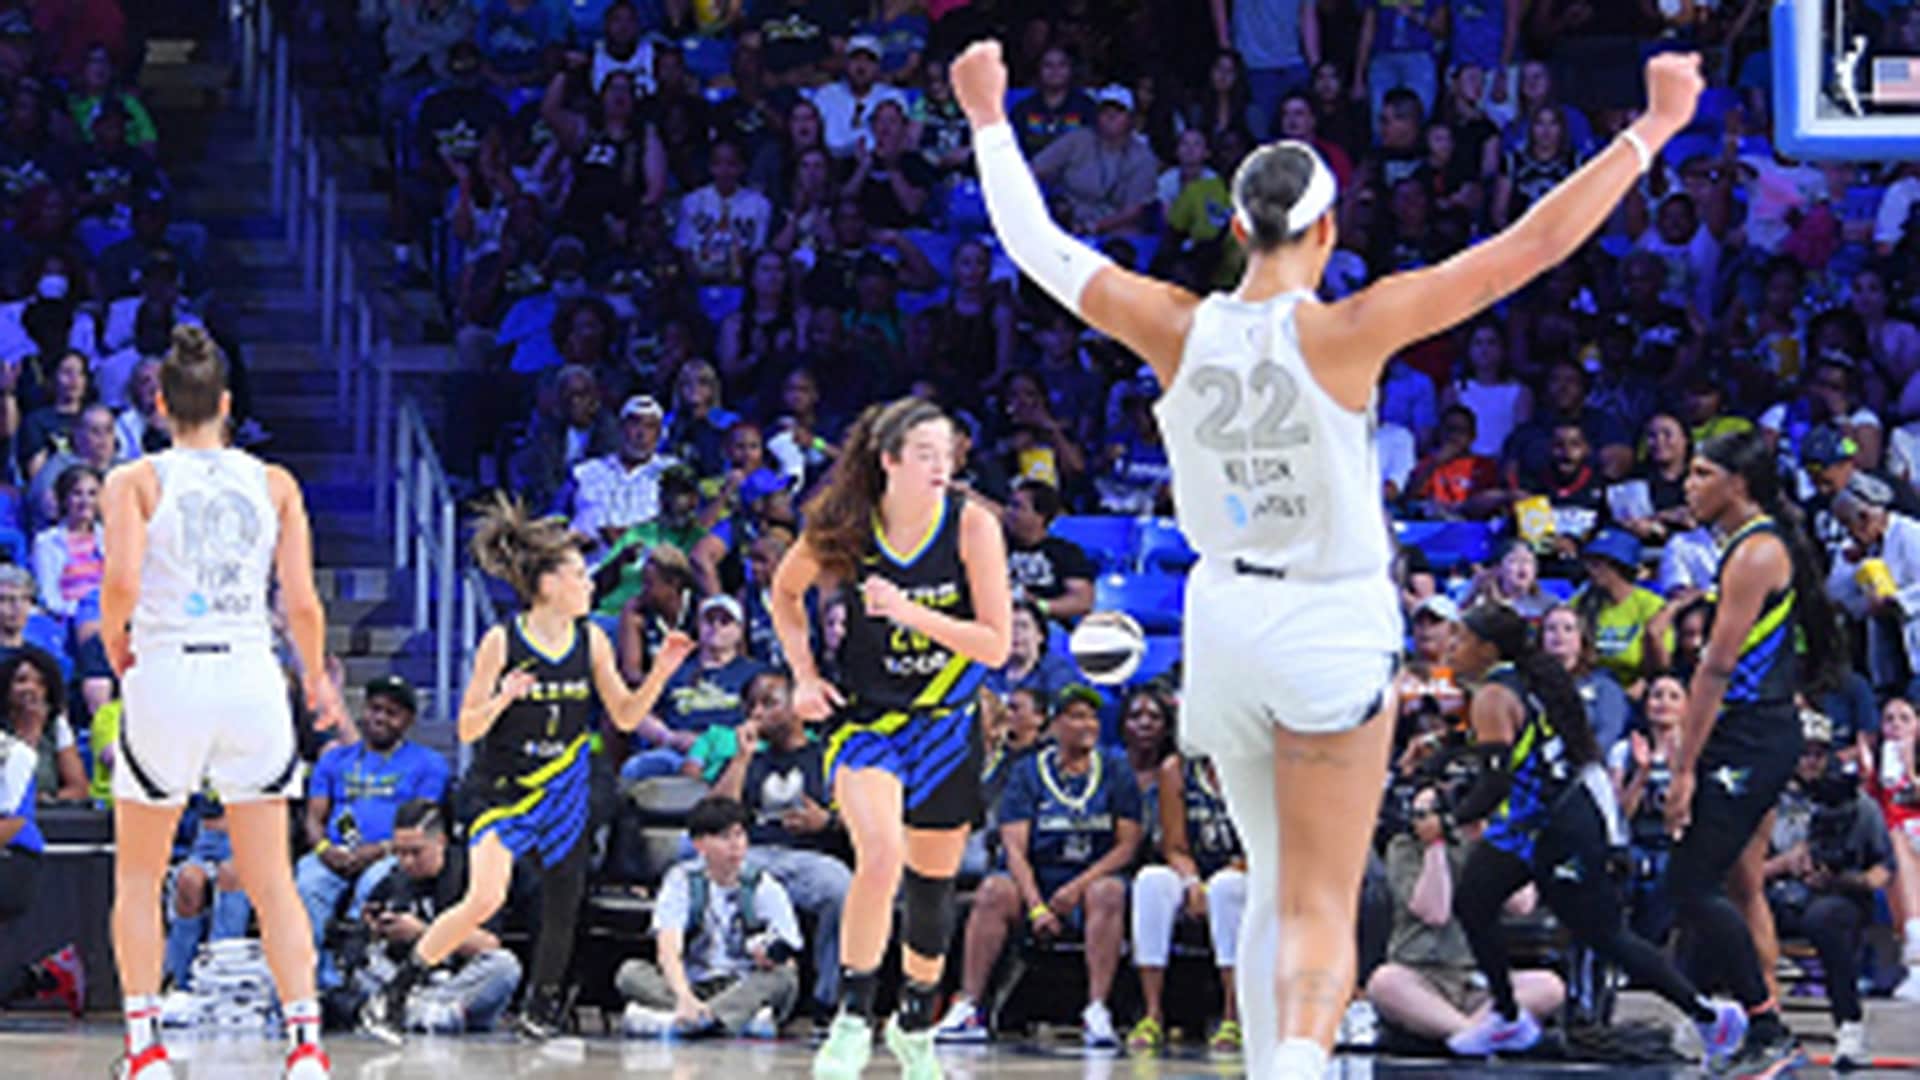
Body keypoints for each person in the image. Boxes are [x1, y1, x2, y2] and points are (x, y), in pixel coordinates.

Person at [952, 38, 1704, 1076]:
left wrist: (989, 115)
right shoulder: (1351, 327)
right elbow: (1528, 246)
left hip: (1223, 620)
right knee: (1314, 897)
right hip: (1324, 620)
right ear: (1327, 228)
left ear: (1238, 225)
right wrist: (1652, 128)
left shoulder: (1176, 323)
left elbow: (1036, 244)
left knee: (1270, 880)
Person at [99, 326, 344, 1080]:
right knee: (272, 877)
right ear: (228, 406)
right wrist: (317, 679)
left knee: (139, 877)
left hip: (169, 671)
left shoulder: (133, 480)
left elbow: (121, 585)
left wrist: (116, 645)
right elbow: (300, 602)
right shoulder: (274, 483)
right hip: (249, 675)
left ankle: (147, 1052)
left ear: (162, 403)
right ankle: (304, 1047)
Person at [359, 495, 694, 1044]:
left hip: (563, 784)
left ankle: (541, 1010)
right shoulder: (502, 641)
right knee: (486, 898)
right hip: (503, 787)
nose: (591, 584)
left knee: (565, 897)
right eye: (581, 575)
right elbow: (466, 728)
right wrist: (504, 700)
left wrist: (661, 670)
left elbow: (627, 715)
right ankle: (393, 995)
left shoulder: (591, 640)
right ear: (548, 585)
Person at [770, 396, 1012, 1078]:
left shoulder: (973, 527)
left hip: (945, 723)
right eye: (927, 454)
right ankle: (850, 1019)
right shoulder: (845, 523)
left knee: (931, 890)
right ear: (890, 461)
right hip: (867, 721)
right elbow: (785, 596)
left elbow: (994, 645)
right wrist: (804, 675)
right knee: (878, 853)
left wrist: (908, 612)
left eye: (950, 454)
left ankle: (914, 1025)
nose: (943, 467)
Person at [1443, 603, 1742, 1059]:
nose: (1450, 647)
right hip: (1536, 823)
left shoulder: (1493, 696)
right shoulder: (1524, 682)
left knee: (1603, 934)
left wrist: (1450, 819)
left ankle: (1710, 1017)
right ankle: (1506, 1016)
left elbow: (1494, 783)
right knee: (1474, 901)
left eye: (1459, 639)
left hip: (1560, 828)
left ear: (1486, 648)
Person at [1664, 430, 1847, 1076]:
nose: (1687, 484)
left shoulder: (1755, 553)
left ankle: (1767, 1028)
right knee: (1742, 884)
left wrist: (1683, 768)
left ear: (1737, 484)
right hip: (1756, 729)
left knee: (1687, 882)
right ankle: (1763, 1034)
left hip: (1750, 734)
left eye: (1701, 472)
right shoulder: (1747, 545)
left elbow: (1715, 668)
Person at [934, 685, 1142, 1049]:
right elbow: (1014, 850)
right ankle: (969, 1007)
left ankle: (1097, 1010)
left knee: (1109, 891)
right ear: (1055, 725)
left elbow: (1127, 845)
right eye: (1077, 716)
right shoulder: (1028, 772)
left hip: (1088, 881)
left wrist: (1075, 889)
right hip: (1036, 878)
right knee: (993, 891)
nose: (1088, 724)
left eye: (1092, 717)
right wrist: (1037, 906)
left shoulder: (1115, 769)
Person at [1363, 785, 1564, 1047]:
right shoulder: (1404, 848)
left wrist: (1496, 843)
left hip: (1475, 979)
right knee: (1384, 983)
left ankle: (1466, 1037)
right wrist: (1435, 846)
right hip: (1422, 974)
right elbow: (1435, 912)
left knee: (1549, 986)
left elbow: (1522, 904)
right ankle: (1473, 1033)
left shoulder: (1484, 847)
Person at [709, 669, 851, 1018]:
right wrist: (741, 760)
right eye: (751, 706)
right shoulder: (748, 761)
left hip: (807, 860)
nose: (757, 713)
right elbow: (713, 817)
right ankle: (722, 989)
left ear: (798, 706)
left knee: (841, 887)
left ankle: (827, 1001)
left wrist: (827, 822)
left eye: (769, 703)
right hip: (753, 857)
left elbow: (864, 819)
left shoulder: (827, 756)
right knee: (697, 863)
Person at [297, 675, 449, 989]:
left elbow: (424, 824)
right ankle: (314, 980)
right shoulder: (335, 760)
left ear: (408, 721)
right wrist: (325, 849)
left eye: (391, 712)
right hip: (334, 854)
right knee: (307, 882)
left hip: (392, 854)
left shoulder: (428, 763)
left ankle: (357, 979)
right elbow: (313, 818)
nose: (379, 717)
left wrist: (379, 849)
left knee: (375, 885)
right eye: (374, 709)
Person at [1761, 711, 1890, 1069]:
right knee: (1720, 908)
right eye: (1802, 752)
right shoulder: (1765, 800)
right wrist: (1784, 864)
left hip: (1838, 896)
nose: (1809, 761)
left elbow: (1882, 870)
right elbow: (1743, 872)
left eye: (1818, 752)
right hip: (1777, 890)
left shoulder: (1856, 804)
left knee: (1825, 918)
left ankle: (1849, 1024)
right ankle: (1714, 1016)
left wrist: (1845, 879)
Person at [616, 795, 803, 1038]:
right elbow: (668, 948)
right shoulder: (682, 880)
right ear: (700, 844)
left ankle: (686, 1020)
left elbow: (789, 952)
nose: (735, 845)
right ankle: (726, 1021)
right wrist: (684, 996)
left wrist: (770, 956)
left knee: (784, 978)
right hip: (692, 984)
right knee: (630, 973)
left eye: (740, 835)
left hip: (740, 985)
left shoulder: (763, 885)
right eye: (725, 837)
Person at [351, 799, 522, 1033]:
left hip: (458, 982)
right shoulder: (392, 879)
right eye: (399, 852)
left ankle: (416, 1015)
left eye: (415, 852)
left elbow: (488, 944)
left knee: (505, 966)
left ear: (440, 841)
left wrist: (423, 932)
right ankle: (431, 1016)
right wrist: (375, 931)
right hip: (408, 984)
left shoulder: (470, 875)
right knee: (364, 965)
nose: (407, 861)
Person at [1127, 751, 1247, 1057]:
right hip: (1196, 871)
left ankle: (1233, 1016)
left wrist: (1226, 874)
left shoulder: (1259, 764)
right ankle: (1152, 1013)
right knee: (1151, 881)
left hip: (1248, 873)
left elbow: (1266, 841)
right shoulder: (1176, 769)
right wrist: (1193, 883)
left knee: (1225, 889)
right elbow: (1175, 846)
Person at [0, 721, 83, 1015]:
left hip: (14, 858)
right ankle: (52, 972)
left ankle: (46, 976)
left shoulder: (13, 755)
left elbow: (11, 824)